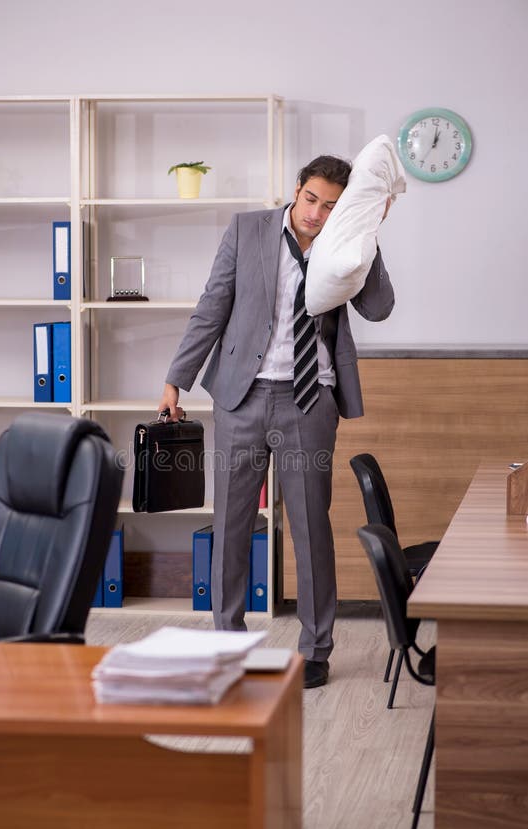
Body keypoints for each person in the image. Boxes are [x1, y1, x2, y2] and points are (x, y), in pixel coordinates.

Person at [158, 155, 394, 689]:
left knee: (311, 527)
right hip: (240, 397)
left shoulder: (348, 239)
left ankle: (315, 650)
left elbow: (378, 308)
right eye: (312, 199)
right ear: (297, 190)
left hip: (311, 400)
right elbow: (212, 306)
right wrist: (177, 378)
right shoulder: (248, 229)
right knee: (233, 525)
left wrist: (368, 229)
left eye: (333, 205)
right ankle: (227, 645)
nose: (317, 213)